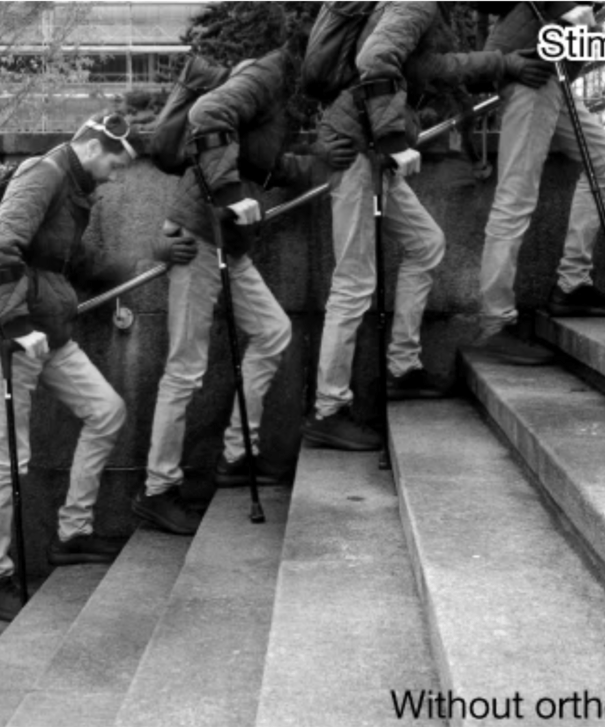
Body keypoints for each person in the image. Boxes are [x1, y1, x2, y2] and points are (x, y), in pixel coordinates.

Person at [300, 1, 555, 451]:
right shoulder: (416, 1)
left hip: (371, 145)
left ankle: (402, 367)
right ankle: (328, 409)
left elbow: (427, 67)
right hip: (362, 148)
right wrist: (394, 140)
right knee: (354, 282)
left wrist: (498, 65)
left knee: (426, 243)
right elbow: (375, 60)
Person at [0, 112, 195, 621]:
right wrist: (17, 323)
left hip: (49, 335)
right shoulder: (44, 174)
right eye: (115, 165)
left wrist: (147, 260)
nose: (115, 177)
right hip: (16, 339)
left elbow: (78, 262)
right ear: (92, 148)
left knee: (107, 411)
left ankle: (73, 533)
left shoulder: (72, 189)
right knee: (7, 459)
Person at [138, 37, 358, 536]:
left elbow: (267, 163)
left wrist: (324, 161)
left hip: (229, 244)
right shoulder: (268, 72)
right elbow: (209, 114)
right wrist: (230, 193)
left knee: (274, 332)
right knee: (186, 368)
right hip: (199, 237)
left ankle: (237, 455)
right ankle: (156, 488)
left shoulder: (278, 90)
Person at [472, 2, 605, 365]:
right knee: (515, 197)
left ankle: (572, 282)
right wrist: (569, 7)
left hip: (553, 76)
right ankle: (495, 321)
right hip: (533, 73)